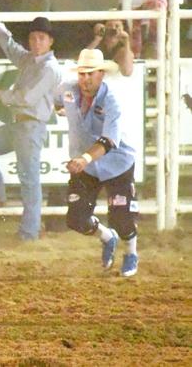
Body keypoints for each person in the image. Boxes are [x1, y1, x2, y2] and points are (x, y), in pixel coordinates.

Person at [0, 10, 62, 241]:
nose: (36, 42)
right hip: (19, 126)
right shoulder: (29, 60)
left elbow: (27, 98)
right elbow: (9, 44)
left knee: (29, 179)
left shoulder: (49, 69)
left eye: (41, 38)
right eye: (33, 38)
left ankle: (29, 232)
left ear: (50, 41)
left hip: (30, 127)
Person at [56, 49, 139, 277]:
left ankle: (131, 252)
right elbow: (55, 101)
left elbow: (109, 140)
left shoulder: (111, 100)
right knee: (76, 218)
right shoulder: (67, 91)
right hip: (87, 165)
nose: (85, 79)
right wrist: (62, 110)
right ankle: (106, 237)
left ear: (101, 74)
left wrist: (83, 158)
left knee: (121, 219)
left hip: (116, 164)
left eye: (91, 74)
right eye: (82, 74)